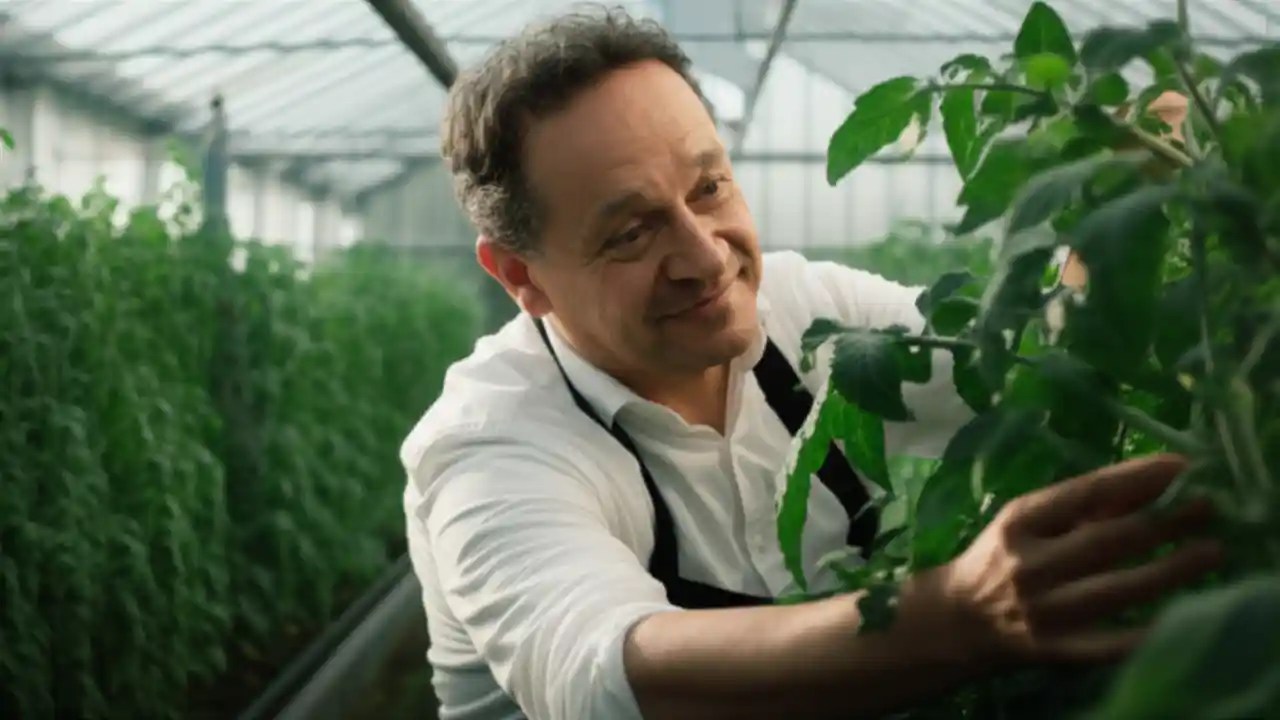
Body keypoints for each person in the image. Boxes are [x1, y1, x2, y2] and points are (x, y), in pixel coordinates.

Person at [399, 8, 1221, 719]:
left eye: (710, 187)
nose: (705, 256)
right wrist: (961, 614)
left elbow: (1037, 372)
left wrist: (1120, 215)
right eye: (631, 233)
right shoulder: (490, 446)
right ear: (521, 276)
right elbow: (610, 680)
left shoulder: (808, 311)